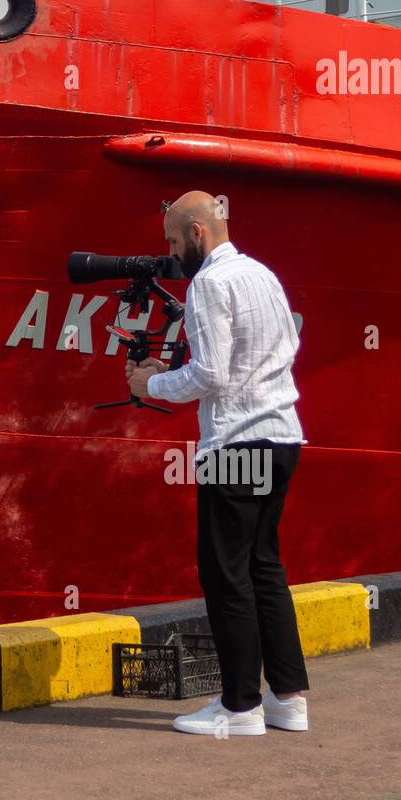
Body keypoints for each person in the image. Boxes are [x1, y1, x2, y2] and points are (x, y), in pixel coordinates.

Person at [126, 191, 309, 738]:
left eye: (174, 241)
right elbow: (283, 348)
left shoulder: (207, 282)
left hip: (234, 446)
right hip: (282, 438)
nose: (173, 253)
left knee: (226, 575)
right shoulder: (263, 274)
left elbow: (212, 376)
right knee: (264, 569)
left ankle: (239, 707)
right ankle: (287, 700)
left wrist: (150, 382)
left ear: (198, 234)